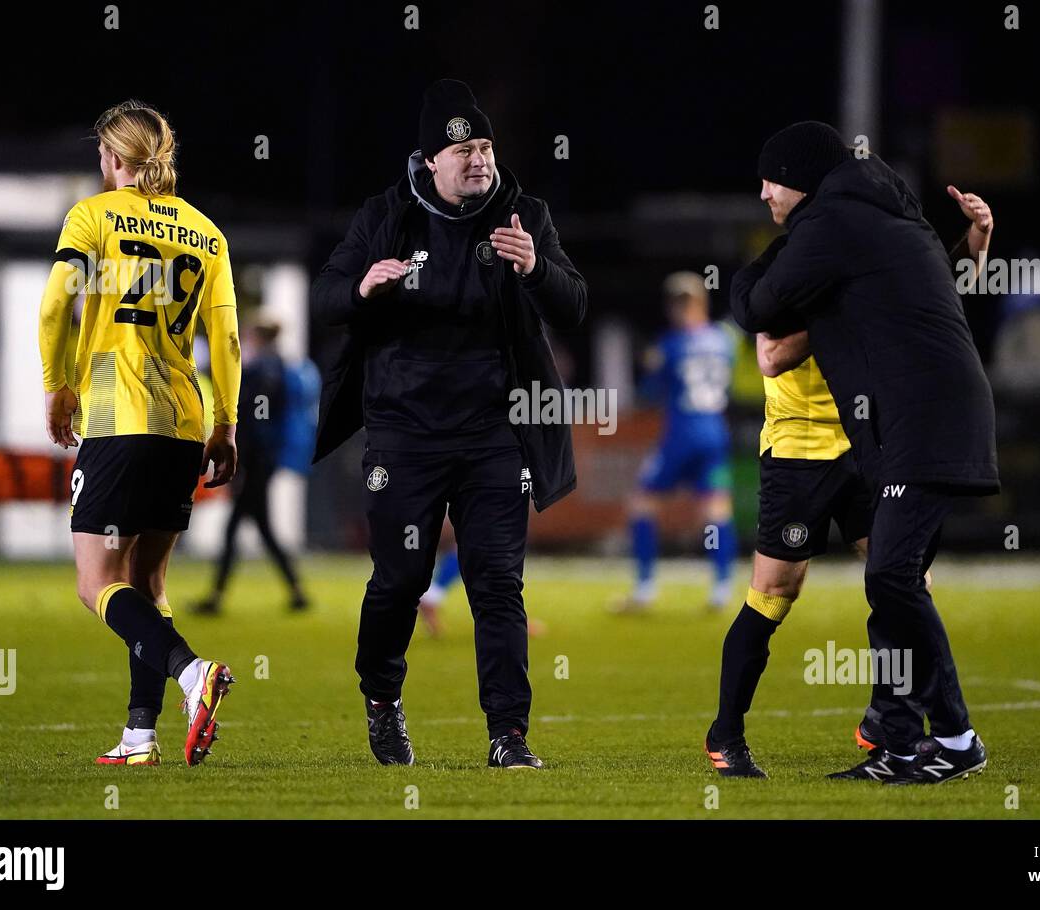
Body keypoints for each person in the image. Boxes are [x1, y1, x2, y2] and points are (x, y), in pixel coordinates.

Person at [310, 79, 586, 769]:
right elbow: (324, 296)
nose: (478, 160)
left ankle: (509, 735)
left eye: (486, 146)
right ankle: (381, 699)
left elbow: (575, 303)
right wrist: (362, 287)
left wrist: (537, 270)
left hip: (495, 435)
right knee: (400, 580)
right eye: (463, 149)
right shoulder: (387, 215)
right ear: (431, 159)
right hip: (404, 434)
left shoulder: (525, 215)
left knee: (497, 583)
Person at [730, 122, 1000, 784]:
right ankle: (902, 742)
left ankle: (954, 739)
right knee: (894, 578)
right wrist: (975, 245)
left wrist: (771, 259)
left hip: (919, 422)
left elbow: (755, 307)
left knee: (890, 578)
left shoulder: (832, 227)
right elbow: (933, 279)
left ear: (799, 179)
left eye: (771, 178)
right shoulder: (878, 218)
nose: (764, 192)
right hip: (914, 420)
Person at [38, 100, 241, 767]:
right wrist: (225, 426)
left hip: (118, 416)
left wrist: (57, 382)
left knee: (96, 582)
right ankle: (139, 736)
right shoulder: (207, 234)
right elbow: (228, 340)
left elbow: (55, 303)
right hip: (183, 421)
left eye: (103, 156)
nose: (101, 166)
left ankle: (192, 675)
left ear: (117, 159)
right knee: (148, 583)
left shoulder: (92, 216)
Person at [615, 272, 737, 612]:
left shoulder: (669, 345)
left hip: (682, 435)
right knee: (716, 512)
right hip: (715, 434)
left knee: (641, 503)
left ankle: (644, 587)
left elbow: (649, 393)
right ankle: (722, 588)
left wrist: (649, 366)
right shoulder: (722, 340)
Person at [194, 313, 310, 614]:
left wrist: (239, 458)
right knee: (263, 528)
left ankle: (216, 597)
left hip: (256, 461)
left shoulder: (261, 370)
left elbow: (250, 418)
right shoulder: (277, 366)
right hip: (263, 459)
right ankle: (296, 592)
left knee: (235, 529)